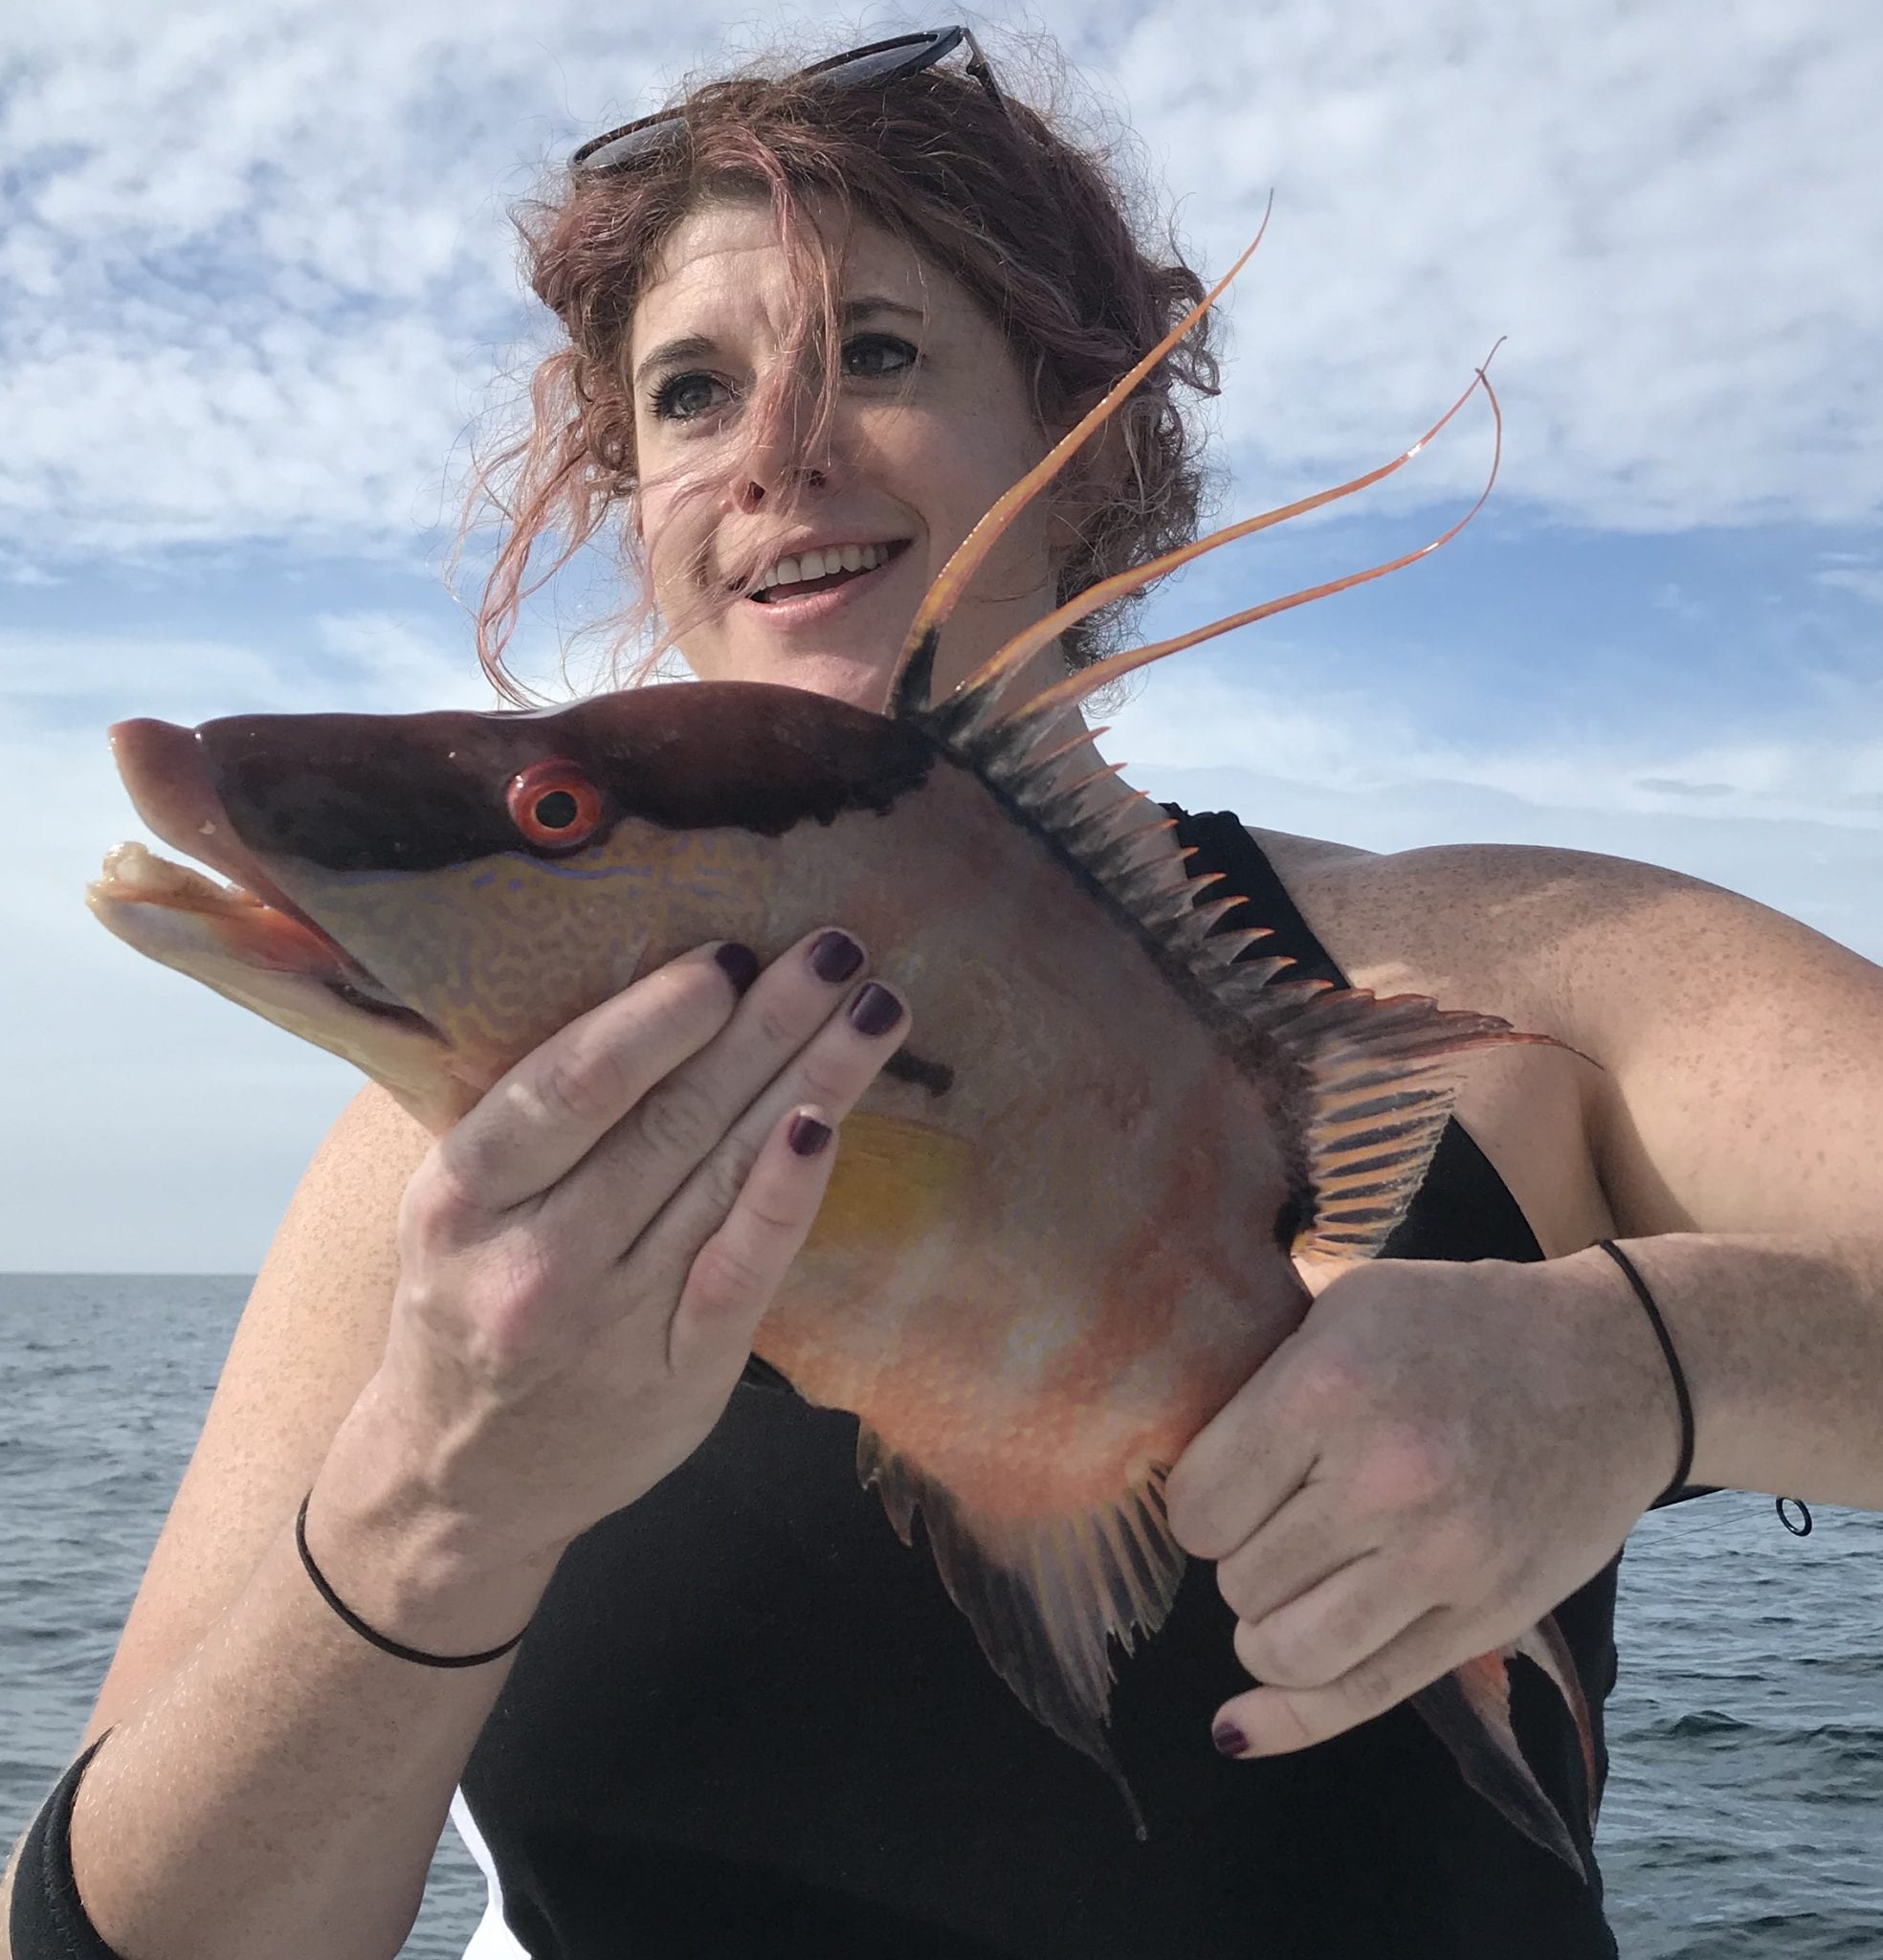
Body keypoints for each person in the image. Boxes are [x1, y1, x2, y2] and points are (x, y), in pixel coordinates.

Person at [8, 26, 1881, 1960]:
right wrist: (436, 1502)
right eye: (690, 393)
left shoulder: (1522, 974)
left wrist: (1658, 1364)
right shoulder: (429, 1174)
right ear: (640, 501)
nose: (776, 450)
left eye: (881, 353)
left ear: (1087, 444)